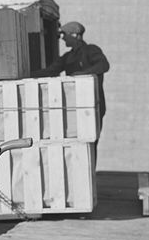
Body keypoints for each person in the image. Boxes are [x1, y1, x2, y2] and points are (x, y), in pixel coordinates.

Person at [32, 21, 110, 161]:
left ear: (76, 36)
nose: (63, 38)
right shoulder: (68, 57)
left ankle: (90, 173)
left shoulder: (91, 50)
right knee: (77, 143)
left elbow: (104, 65)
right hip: (75, 107)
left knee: (90, 141)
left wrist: (82, 74)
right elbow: (51, 70)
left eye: (65, 35)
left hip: (93, 106)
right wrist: (27, 75)